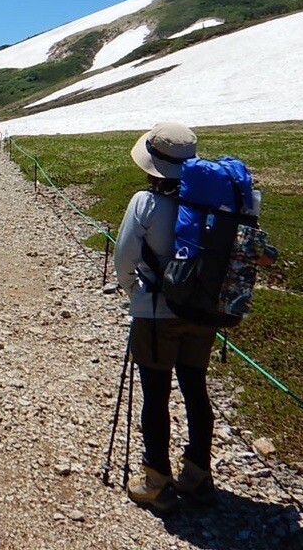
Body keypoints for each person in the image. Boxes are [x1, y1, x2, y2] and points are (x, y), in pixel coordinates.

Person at [113, 122, 217, 513]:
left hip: (157, 313)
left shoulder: (146, 202)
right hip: (204, 312)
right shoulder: (213, 203)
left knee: (155, 394)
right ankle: (198, 474)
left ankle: (156, 479)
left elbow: (125, 259)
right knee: (195, 388)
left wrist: (135, 294)